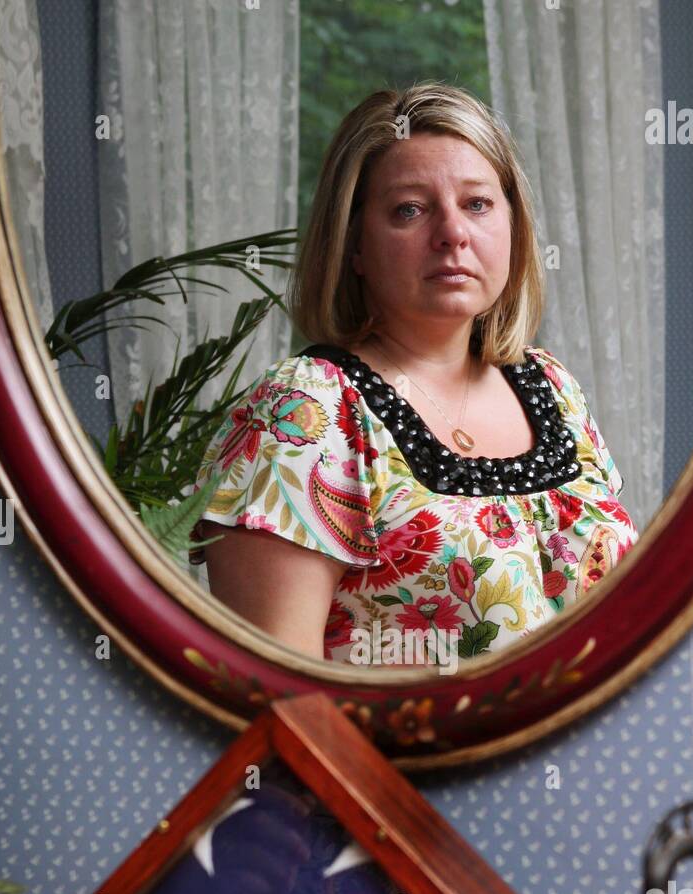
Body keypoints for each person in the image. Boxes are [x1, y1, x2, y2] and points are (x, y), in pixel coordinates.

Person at [188, 82, 638, 668]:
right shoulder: (304, 410)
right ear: (354, 245)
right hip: (406, 761)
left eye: (477, 204)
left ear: (512, 224)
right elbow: (283, 707)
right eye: (410, 209)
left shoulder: (554, 387)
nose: (453, 233)